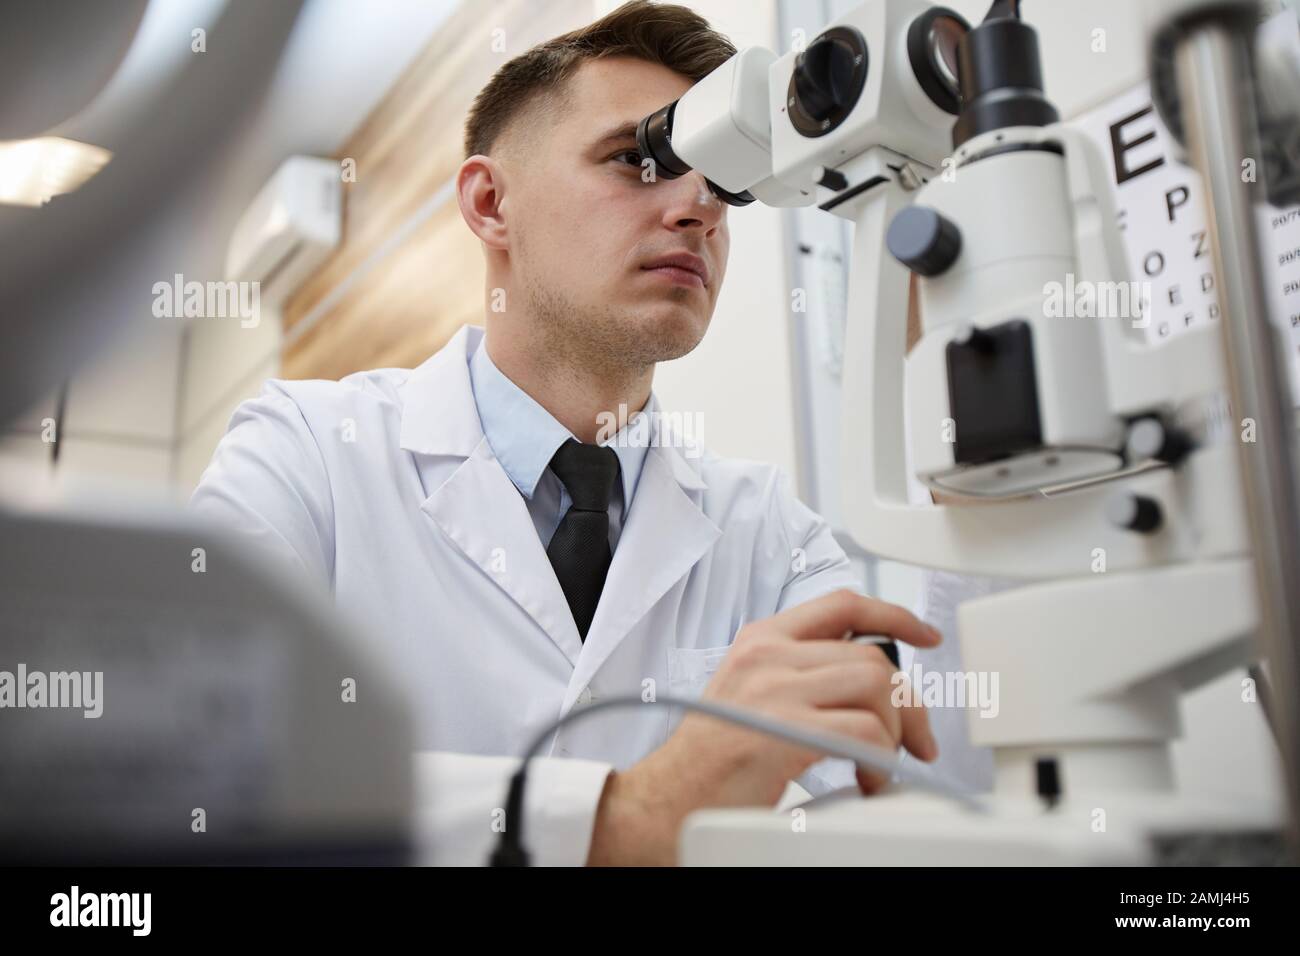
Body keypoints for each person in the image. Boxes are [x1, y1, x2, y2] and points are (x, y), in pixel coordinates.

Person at [190, 0, 940, 866]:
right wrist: (624, 814)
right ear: (490, 201)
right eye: (639, 158)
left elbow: (905, 800)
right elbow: (196, 776)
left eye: (723, 182)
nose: (698, 206)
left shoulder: (768, 531)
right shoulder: (307, 455)